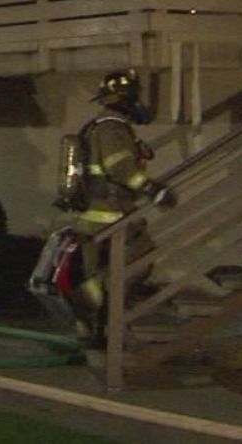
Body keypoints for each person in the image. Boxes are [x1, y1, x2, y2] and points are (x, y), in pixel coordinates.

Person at [32, 68, 175, 346]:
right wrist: (152, 189)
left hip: (95, 216)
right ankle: (89, 310)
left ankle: (90, 328)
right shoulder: (112, 127)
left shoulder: (100, 125)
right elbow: (119, 166)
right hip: (112, 214)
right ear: (129, 98)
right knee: (138, 261)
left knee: (98, 273)